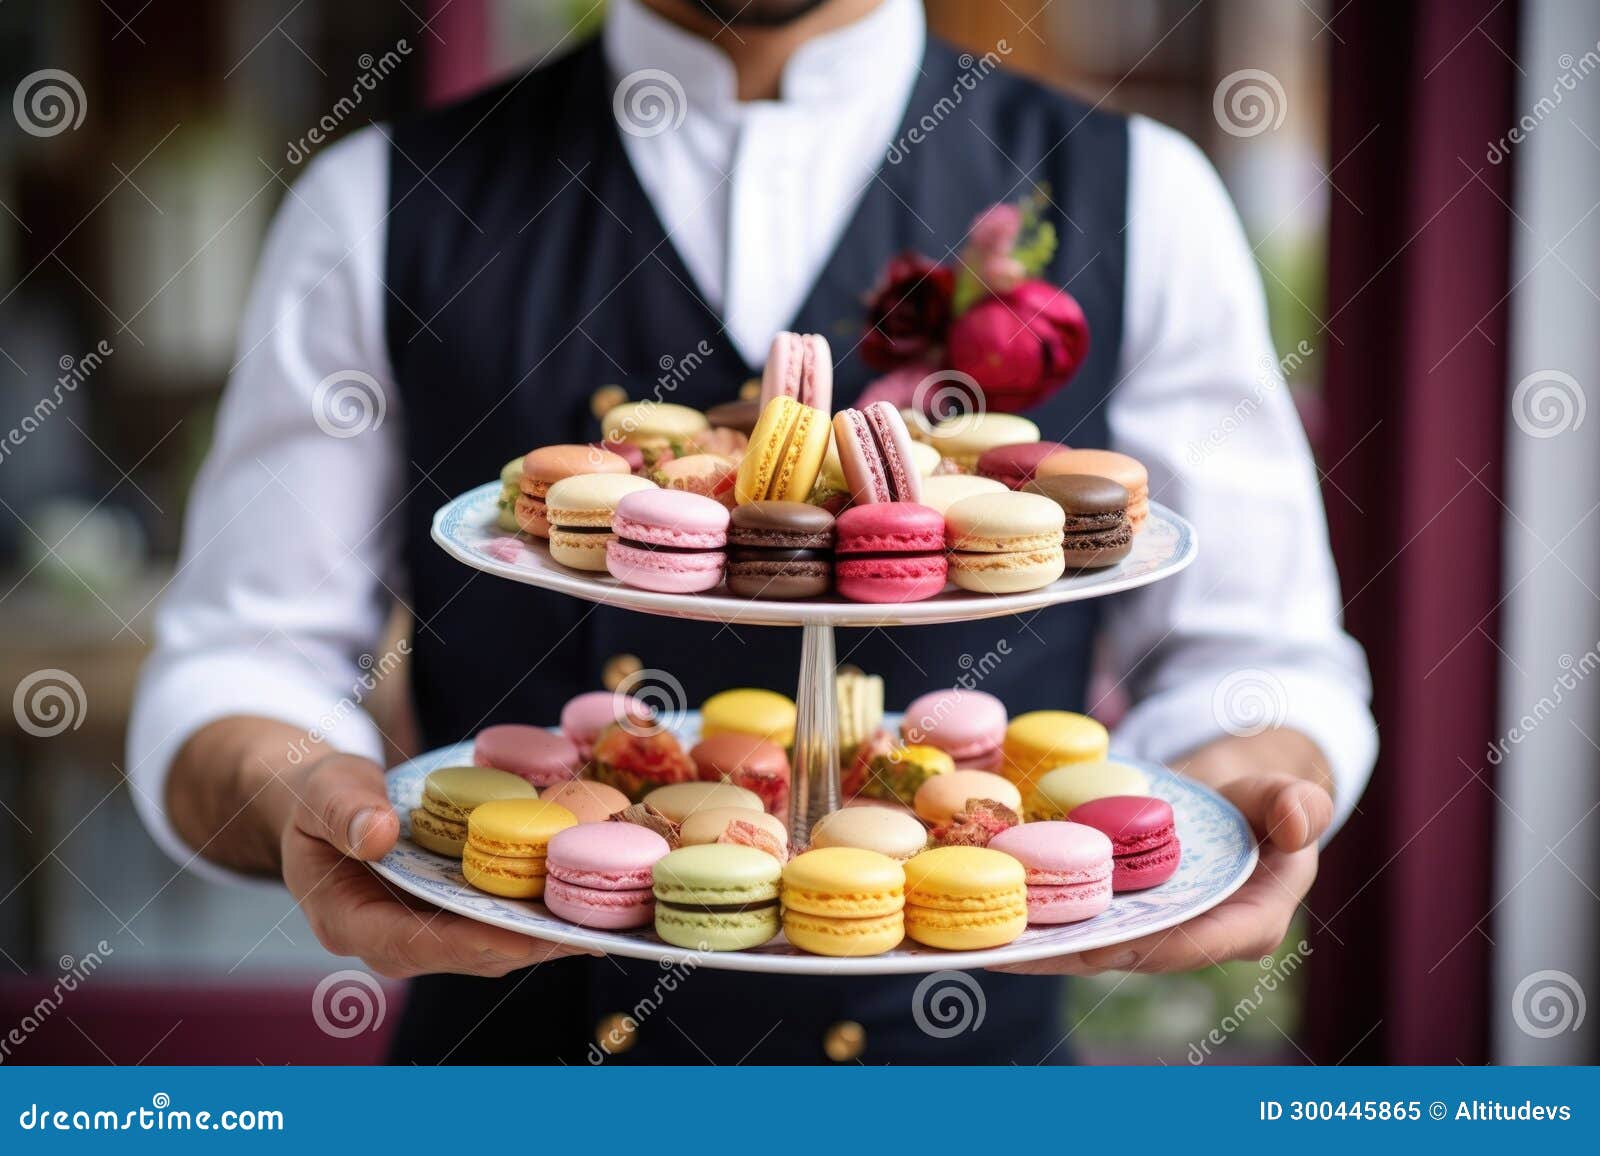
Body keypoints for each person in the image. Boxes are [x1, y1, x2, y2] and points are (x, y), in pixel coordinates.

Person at [128, 0, 1374, 1064]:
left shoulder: (1135, 191)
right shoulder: (381, 201)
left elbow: (1250, 658)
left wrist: (1224, 804)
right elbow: (247, 659)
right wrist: (302, 795)